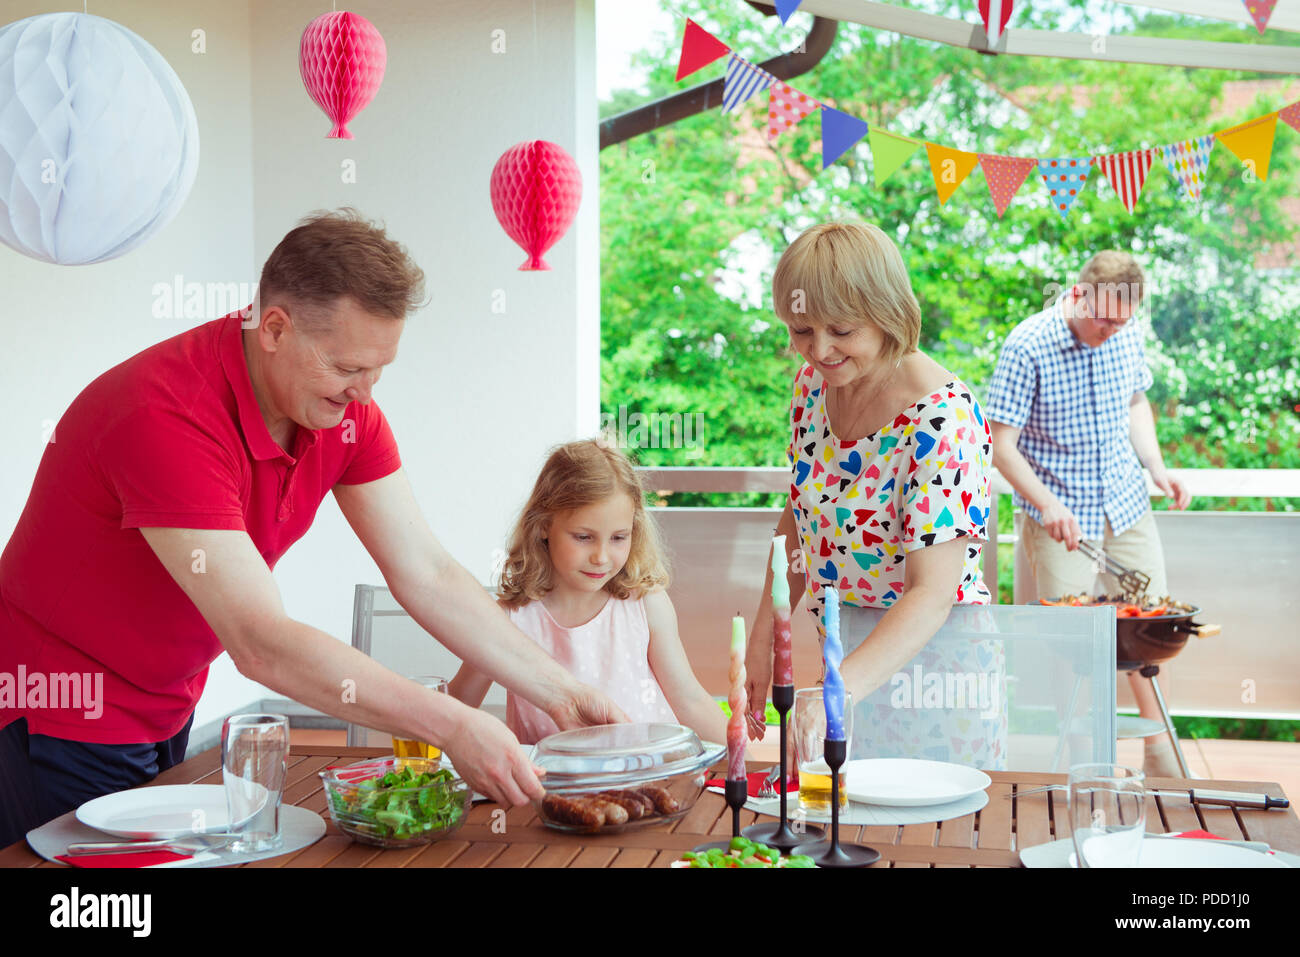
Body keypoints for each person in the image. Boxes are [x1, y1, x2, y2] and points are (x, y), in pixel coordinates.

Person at [0, 209, 626, 848]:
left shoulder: (343, 416)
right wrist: (455, 726)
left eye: (379, 370)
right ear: (274, 328)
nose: (364, 393)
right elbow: (261, 641)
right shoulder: (165, 414)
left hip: (166, 701)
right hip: (59, 709)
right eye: (348, 368)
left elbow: (425, 571)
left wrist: (562, 692)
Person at [743, 222, 1006, 769]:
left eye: (840, 329)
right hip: (843, 653)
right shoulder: (813, 386)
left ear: (887, 313)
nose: (819, 350)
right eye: (800, 330)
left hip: (937, 670)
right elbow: (801, 510)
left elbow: (930, 594)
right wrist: (766, 634)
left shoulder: (944, 418)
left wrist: (838, 690)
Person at [984, 251, 1189, 777]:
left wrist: (1156, 467)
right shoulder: (1027, 344)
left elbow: (1136, 402)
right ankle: (1084, 767)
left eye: (1122, 322)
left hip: (1125, 500)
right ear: (1077, 294)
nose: (1112, 330)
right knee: (1071, 643)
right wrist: (1048, 504)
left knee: (1155, 625)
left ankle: (1161, 756)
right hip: (1058, 511)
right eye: (1104, 319)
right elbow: (1000, 445)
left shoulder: (1123, 331)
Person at [449, 440, 731, 747]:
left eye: (618, 537)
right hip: (550, 792)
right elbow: (455, 708)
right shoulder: (507, 620)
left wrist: (746, 762)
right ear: (544, 525)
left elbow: (689, 701)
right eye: (584, 537)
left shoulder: (646, 605)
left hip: (650, 783)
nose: (601, 556)